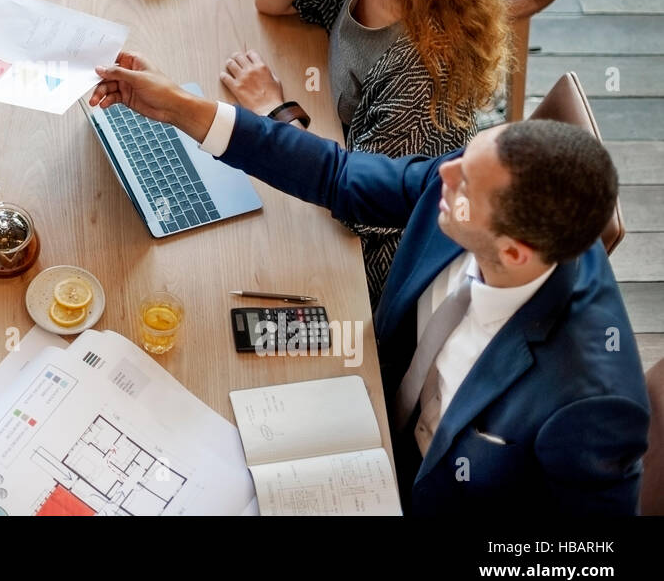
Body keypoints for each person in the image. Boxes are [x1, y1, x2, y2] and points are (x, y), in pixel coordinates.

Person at [89, 53, 649, 514]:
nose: (441, 174)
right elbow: (338, 174)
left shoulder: (593, 402)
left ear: (513, 252)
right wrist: (184, 109)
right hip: (359, 404)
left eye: (463, 183)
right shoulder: (460, 186)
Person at [220, 0, 510, 302]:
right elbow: (272, 2)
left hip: (371, 259)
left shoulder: (423, 72)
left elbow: (360, 205)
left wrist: (273, 110)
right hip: (333, 153)